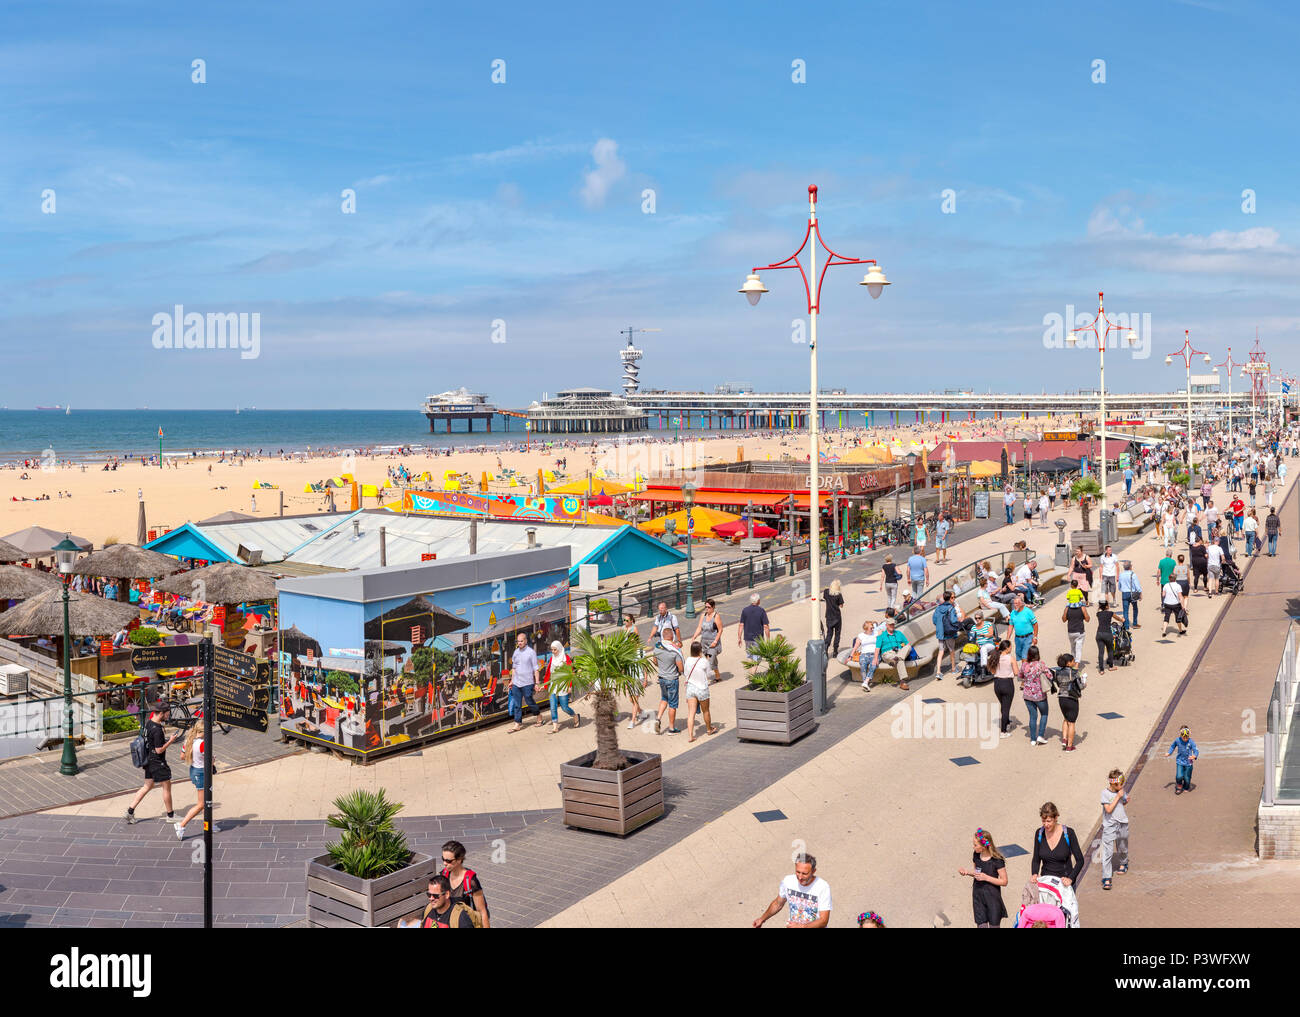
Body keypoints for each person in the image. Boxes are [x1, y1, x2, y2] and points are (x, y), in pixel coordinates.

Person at [1031, 802, 1085, 925]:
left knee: (1063, 921)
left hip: (1064, 884)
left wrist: (1070, 879)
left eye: (1049, 821)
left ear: (1056, 818)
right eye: (1043, 821)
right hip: (1046, 885)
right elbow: (1036, 859)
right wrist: (1034, 873)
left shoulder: (1068, 833)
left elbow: (1080, 860)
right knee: (1046, 920)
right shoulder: (1039, 834)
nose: (1046, 825)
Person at [124, 707, 179, 825]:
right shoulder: (157, 730)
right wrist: (170, 740)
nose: (168, 717)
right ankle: (171, 815)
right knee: (166, 787)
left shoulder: (149, 723)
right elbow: (159, 750)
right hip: (157, 762)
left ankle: (130, 812)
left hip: (148, 760)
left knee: (147, 786)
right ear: (161, 714)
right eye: (167, 714)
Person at [752, 853, 832, 929]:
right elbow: (778, 903)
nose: (800, 877)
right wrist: (762, 919)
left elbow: (823, 920)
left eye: (804, 874)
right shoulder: (788, 881)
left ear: (813, 871)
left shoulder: (822, 887)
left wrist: (802, 927)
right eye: (798, 872)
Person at [957, 828, 1008, 928]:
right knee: (981, 926)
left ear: (984, 847)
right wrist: (967, 872)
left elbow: (1004, 881)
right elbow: (977, 873)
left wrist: (987, 878)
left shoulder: (997, 860)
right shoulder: (976, 855)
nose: (973, 847)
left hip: (992, 898)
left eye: (975, 845)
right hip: (978, 895)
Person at [439, 840, 490, 927]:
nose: (444, 863)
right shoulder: (444, 875)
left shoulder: (470, 881)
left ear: (459, 860)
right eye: (443, 859)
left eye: (449, 861)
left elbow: (482, 911)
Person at [173, 720, 207, 840]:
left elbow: (182, 756)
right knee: (201, 804)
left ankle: (209, 824)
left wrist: (193, 756)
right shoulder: (203, 744)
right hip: (201, 773)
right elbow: (209, 761)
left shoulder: (188, 740)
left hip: (193, 770)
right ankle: (181, 825)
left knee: (208, 800)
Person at [1099, 770, 1130, 891]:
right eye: (1120, 784)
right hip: (1110, 826)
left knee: (1122, 846)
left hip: (1122, 823)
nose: (1122, 786)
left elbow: (1123, 802)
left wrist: (1125, 799)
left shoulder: (1121, 791)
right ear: (1113, 784)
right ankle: (1106, 877)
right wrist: (1118, 796)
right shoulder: (1105, 794)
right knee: (1108, 852)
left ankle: (1123, 862)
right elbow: (1108, 810)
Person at [506, 631, 541, 733]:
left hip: (528, 683)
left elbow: (536, 669)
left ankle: (538, 715)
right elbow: (514, 668)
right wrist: (512, 681)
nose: (519, 643)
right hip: (517, 683)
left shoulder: (531, 652)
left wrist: (537, 683)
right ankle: (517, 723)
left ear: (526, 641)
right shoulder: (516, 652)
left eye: (521, 641)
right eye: (518, 641)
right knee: (517, 704)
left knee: (529, 701)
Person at [681, 640, 716, 741]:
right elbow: (709, 675)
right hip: (702, 688)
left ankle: (691, 736)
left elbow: (685, 673)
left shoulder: (688, 660)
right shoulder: (704, 661)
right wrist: (707, 660)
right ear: (700, 650)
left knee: (691, 713)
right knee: (706, 711)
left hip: (691, 688)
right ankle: (709, 729)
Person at [1018, 645, 1052, 746]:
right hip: (1040, 694)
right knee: (1044, 714)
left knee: (1032, 717)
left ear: (1028, 654)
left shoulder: (1024, 665)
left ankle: (1032, 739)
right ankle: (1040, 735)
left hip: (1027, 695)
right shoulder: (1041, 665)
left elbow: (1020, 676)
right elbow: (1050, 675)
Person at [652, 631, 683, 735]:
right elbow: (681, 668)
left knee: (664, 699)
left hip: (661, 678)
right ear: (672, 637)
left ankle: (658, 718)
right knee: (672, 704)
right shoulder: (675, 651)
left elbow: (655, 661)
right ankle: (671, 728)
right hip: (672, 679)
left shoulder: (657, 647)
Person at [621, 615, 649, 729]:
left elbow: (644, 665)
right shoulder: (627, 653)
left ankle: (632, 721)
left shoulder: (641, 651)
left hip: (639, 677)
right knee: (631, 699)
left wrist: (646, 679)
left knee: (635, 699)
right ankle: (642, 712)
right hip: (630, 677)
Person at [1055, 651, 1086, 751]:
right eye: (1072, 661)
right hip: (1071, 698)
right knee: (1072, 722)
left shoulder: (1058, 672)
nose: (1074, 663)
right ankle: (1069, 745)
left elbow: (1058, 683)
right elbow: (1081, 686)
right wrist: (1084, 682)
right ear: (1068, 662)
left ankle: (1064, 739)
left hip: (1061, 697)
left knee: (1065, 719)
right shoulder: (1074, 673)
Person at [871, 616, 911, 691]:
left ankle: (896, 658)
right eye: (890, 624)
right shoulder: (881, 636)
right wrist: (875, 658)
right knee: (900, 660)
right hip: (888, 653)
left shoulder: (899, 633)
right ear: (886, 625)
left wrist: (901, 650)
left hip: (899, 652)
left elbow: (907, 644)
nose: (892, 626)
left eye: (893, 624)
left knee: (908, 647)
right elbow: (877, 648)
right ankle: (903, 682)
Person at [545, 640, 577, 733]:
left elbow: (570, 673)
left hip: (563, 685)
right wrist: (545, 685)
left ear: (559, 649)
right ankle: (555, 727)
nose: (553, 652)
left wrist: (570, 686)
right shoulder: (551, 659)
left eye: (555, 650)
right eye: (552, 650)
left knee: (564, 707)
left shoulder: (566, 658)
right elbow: (549, 673)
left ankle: (575, 716)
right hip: (553, 685)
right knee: (553, 706)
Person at [931, 589, 963, 678]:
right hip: (949, 633)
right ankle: (953, 668)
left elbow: (934, 620)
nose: (954, 599)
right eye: (952, 598)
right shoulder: (951, 608)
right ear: (949, 599)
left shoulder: (938, 608)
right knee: (951, 650)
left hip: (940, 633)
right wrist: (958, 622)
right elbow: (953, 620)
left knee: (941, 651)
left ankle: (938, 672)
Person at [988, 639, 1017, 738]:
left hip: (997, 684)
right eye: (1010, 647)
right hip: (1007, 683)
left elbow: (992, 671)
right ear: (1007, 648)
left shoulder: (995, 657)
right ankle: (1003, 731)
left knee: (1003, 705)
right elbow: (1016, 672)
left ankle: (1007, 721)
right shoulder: (1010, 658)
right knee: (1006, 708)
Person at [690, 599, 723, 682]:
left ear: (713, 607)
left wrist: (715, 641)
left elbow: (720, 630)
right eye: (706, 607)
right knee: (712, 659)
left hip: (713, 644)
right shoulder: (703, 615)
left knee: (709, 661)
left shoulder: (716, 616)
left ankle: (703, 679)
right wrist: (694, 636)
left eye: (709, 607)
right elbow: (699, 627)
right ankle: (718, 676)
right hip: (704, 642)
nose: (707, 609)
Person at [1166, 725, 1199, 794]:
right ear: (1180, 735)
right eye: (1184, 737)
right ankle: (1179, 786)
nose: (1185, 739)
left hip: (1188, 763)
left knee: (1187, 778)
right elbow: (1172, 746)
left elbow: (1196, 750)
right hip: (1180, 761)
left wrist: (1194, 756)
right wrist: (1169, 753)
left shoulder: (1191, 742)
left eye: (1187, 737)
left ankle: (1186, 786)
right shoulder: (1177, 740)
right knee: (1179, 776)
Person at [738, 593, 770, 660]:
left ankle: (750, 670)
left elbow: (741, 625)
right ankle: (752, 671)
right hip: (758, 639)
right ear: (758, 601)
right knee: (757, 659)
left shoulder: (745, 610)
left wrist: (739, 638)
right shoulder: (761, 611)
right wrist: (768, 639)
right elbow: (766, 626)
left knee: (750, 657)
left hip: (747, 638)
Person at [1061, 587, 1089, 664]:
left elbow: (1063, 620)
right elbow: (1087, 619)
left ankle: (1072, 663)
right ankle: (1076, 665)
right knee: (1078, 648)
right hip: (1080, 632)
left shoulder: (1067, 608)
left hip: (1070, 631)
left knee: (1073, 648)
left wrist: (1066, 612)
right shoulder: (1082, 608)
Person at [1008, 595, 1038, 662]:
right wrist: (1007, 638)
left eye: (1016, 603)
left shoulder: (1028, 612)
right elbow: (1010, 625)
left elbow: (1035, 624)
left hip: (1028, 637)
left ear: (1021, 603)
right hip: (1017, 639)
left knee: (1025, 657)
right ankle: (1027, 670)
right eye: (1014, 603)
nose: (1015, 605)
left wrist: (1035, 637)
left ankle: (1024, 671)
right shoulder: (1013, 613)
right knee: (1020, 656)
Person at [1161, 571, 1188, 637]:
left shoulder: (1166, 585)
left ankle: (1164, 631)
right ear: (1175, 578)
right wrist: (1183, 606)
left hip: (1167, 603)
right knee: (1178, 618)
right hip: (1176, 604)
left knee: (1166, 617)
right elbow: (1180, 597)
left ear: (1169, 578)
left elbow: (1163, 595)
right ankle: (1180, 630)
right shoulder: (1178, 586)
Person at [1117, 560, 1142, 630]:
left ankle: (1126, 626)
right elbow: (1137, 586)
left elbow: (1119, 586)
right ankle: (1134, 623)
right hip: (1132, 593)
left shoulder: (1121, 575)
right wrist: (1140, 593)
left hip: (1124, 593)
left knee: (1125, 610)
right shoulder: (1133, 574)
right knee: (1135, 608)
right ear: (1130, 567)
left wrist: (1122, 589)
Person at [823, 579, 845, 657]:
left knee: (829, 633)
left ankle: (826, 646)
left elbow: (824, 597)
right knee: (837, 634)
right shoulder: (839, 594)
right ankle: (835, 651)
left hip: (829, 616)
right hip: (837, 616)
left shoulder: (826, 592)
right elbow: (841, 605)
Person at [1094, 599, 1116, 674]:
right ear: (1107, 606)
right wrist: (1122, 620)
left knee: (1101, 652)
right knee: (1110, 650)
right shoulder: (1110, 613)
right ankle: (1111, 666)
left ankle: (1101, 670)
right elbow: (1117, 618)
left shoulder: (1098, 614)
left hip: (1099, 634)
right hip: (1107, 634)